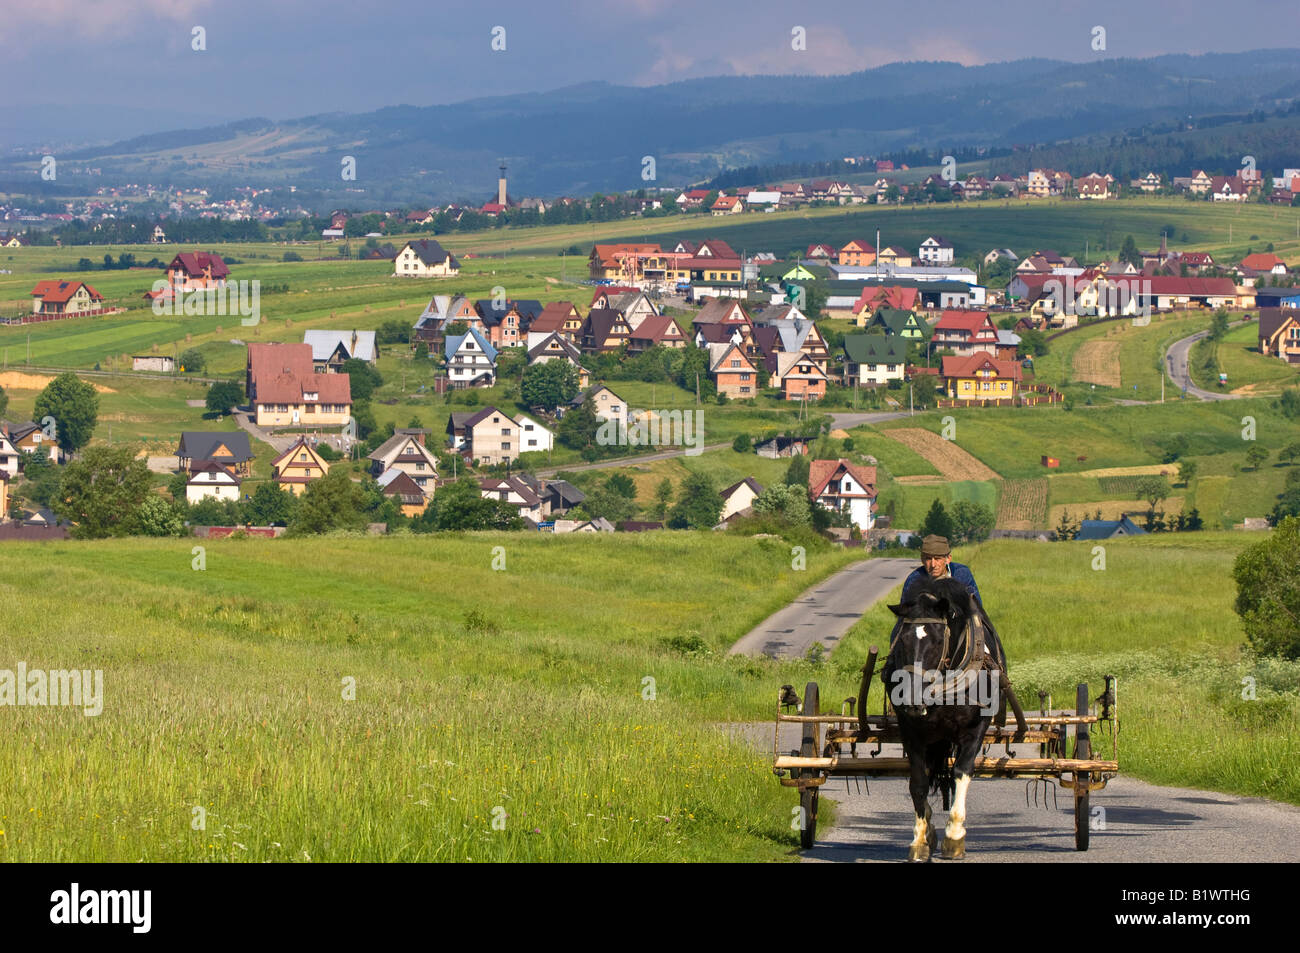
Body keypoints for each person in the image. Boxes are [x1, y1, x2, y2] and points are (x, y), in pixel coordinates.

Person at [901, 535, 983, 608]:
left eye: (937, 559)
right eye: (928, 559)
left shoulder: (962, 574)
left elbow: (977, 607)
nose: (933, 564)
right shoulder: (913, 579)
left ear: (948, 559)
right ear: (922, 560)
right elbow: (904, 612)